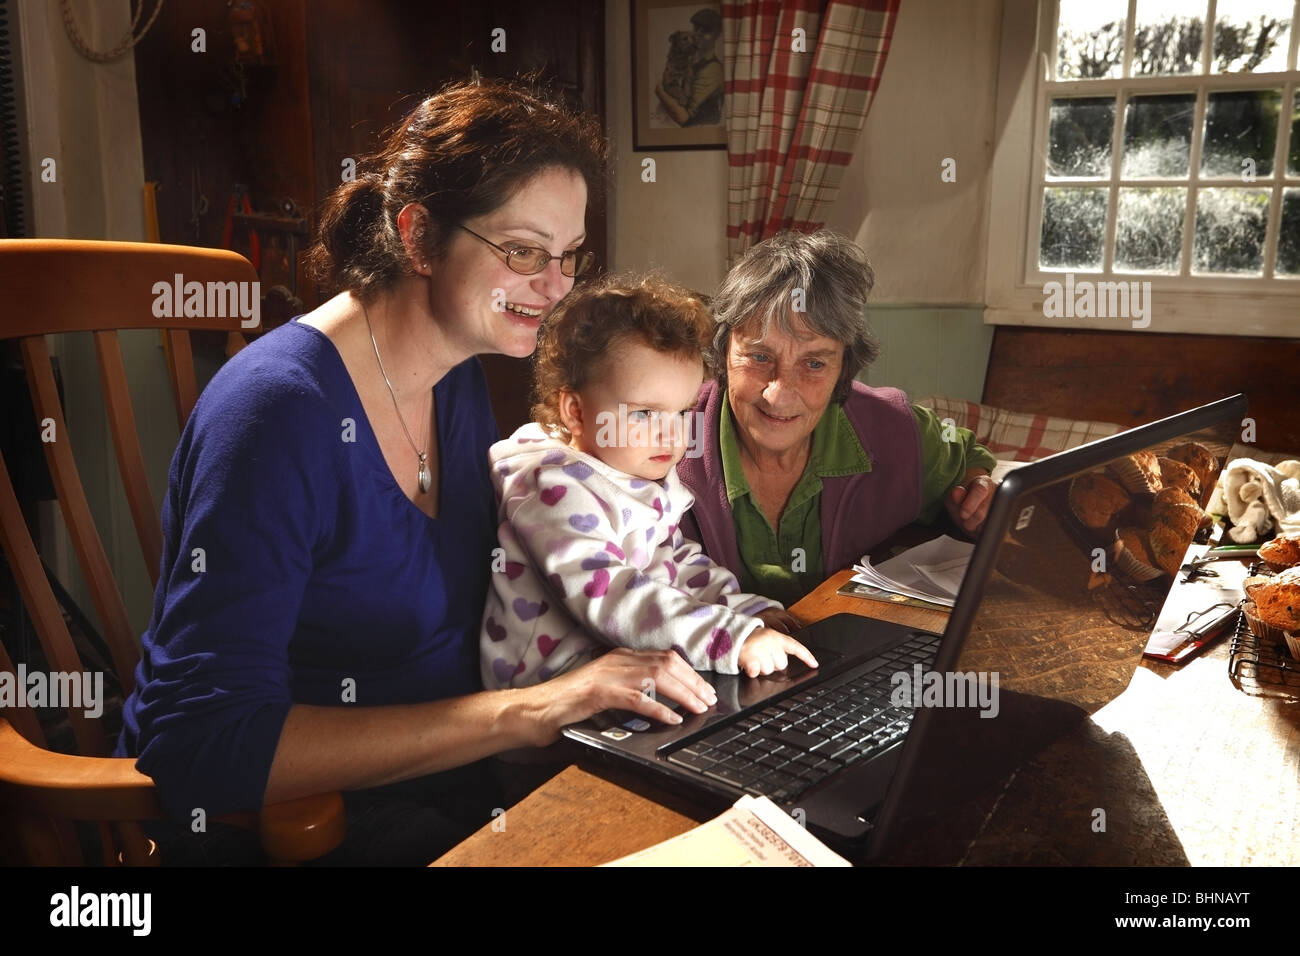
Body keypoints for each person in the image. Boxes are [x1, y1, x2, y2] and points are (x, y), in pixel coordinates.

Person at [115, 79, 717, 865]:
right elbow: (204, 740)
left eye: (569, 256)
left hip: (461, 779)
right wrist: (529, 710)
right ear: (420, 237)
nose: (559, 286)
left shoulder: (456, 373)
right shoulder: (274, 415)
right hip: (305, 827)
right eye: (524, 252)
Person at [480, 274, 815, 691]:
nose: (671, 436)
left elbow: (673, 562)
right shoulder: (552, 490)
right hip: (546, 699)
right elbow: (613, 593)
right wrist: (727, 638)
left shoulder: (633, 467)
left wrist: (744, 613)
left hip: (622, 668)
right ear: (575, 412)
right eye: (644, 414)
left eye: (680, 412)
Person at [678, 230, 999, 608]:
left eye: (814, 363)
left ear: (844, 368)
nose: (779, 393)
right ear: (722, 350)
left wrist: (976, 497)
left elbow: (966, 460)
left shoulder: (891, 428)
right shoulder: (662, 438)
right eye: (760, 357)